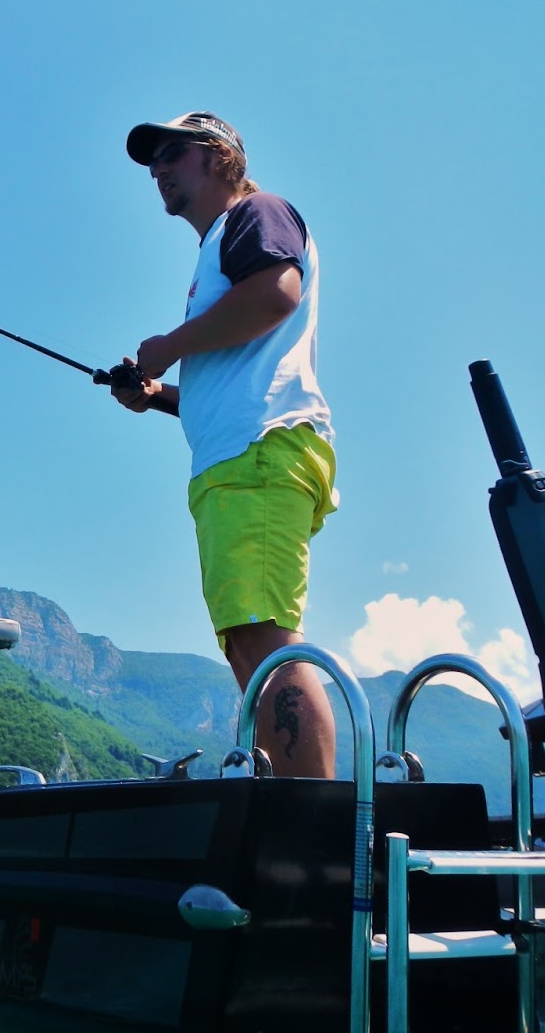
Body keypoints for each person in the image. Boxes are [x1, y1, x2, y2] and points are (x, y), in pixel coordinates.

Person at [112, 111, 338, 779]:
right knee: (250, 645)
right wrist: (160, 395)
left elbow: (277, 293)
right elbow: (236, 373)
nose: (158, 169)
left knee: (266, 643)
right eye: (153, 161)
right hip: (241, 457)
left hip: (258, 455)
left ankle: (316, 834)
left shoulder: (256, 212)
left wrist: (168, 347)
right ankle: (293, 816)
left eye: (171, 154)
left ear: (217, 156)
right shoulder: (218, 246)